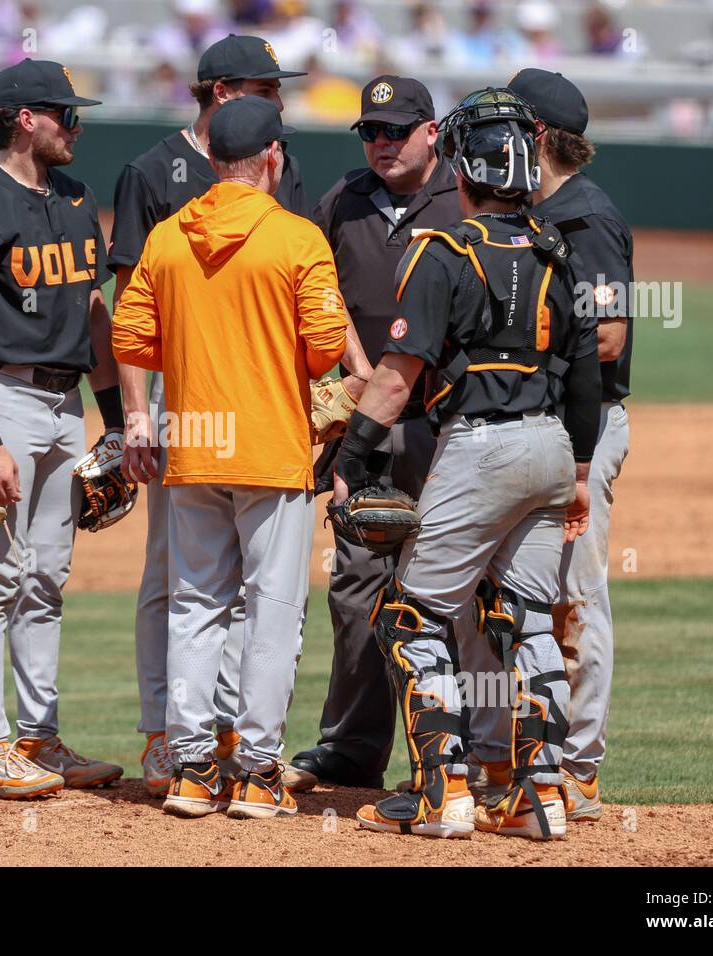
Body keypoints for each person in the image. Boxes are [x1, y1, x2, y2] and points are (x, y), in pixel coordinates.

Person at [336, 88, 600, 841]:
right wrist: (579, 472)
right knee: (524, 619)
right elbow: (585, 380)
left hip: (483, 450)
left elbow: (398, 373)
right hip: (551, 446)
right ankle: (537, 796)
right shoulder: (559, 252)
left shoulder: (444, 252)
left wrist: (354, 454)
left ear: (463, 172)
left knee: (409, 615)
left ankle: (442, 792)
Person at [113, 96, 348, 820]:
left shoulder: (168, 237)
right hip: (270, 449)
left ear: (213, 159)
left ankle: (188, 769)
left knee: (194, 605)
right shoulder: (298, 238)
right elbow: (328, 350)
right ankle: (252, 772)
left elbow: (131, 340)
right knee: (272, 610)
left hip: (193, 442)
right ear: (272, 157)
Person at [0, 59, 125, 799]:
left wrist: (112, 423)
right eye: (64, 115)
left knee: (46, 576)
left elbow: (95, 313)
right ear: (24, 119)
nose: (76, 126)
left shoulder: (76, 195)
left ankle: (40, 738)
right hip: (2, 399)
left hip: (66, 404)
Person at [289, 75, 460, 790]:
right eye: (371, 131)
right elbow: (310, 294)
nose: (383, 143)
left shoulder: (465, 198)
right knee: (357, 587)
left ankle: (462, 752)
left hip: (447, 427)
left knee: (449, 589)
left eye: (397, 129)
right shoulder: (344, 201)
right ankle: (354, 749)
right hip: (364, 431)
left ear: (432, 130)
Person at [508, 69, 634, 822]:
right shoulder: (531, 209)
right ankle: (530, 757)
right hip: (539, 425)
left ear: (539, 137)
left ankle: (579, 766)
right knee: (524, 596)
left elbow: (610, 336)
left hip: (583, 428)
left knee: (574, 598)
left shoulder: (583, 215)